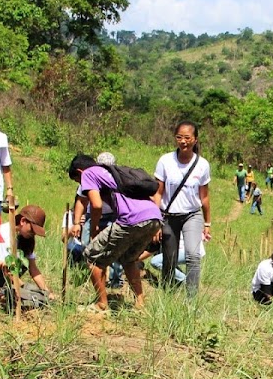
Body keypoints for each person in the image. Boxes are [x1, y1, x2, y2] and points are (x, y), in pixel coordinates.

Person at [69, 154, 162, 310]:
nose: (82, 185)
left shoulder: (89, 173)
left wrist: (94, 230)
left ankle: (101, 305)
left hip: (131, 219)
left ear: (79, 172)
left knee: (92, 256)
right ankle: (140, 304)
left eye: (78, 181)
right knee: (128, 259)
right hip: (154, 217)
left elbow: (96, 205)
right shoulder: (112, 171)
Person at [155, 120, 211, 297]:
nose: (183, 141)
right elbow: (158, 193)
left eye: (187, 137)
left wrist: (207, 222)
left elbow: (204, 197)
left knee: (193, 256)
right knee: (169, 259)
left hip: (192, 215)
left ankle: (191, 300)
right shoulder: (165, 161)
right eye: (179, 137)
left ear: (195, 139)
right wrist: (155, 220)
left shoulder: (202, 165)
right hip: (169, 216)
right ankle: (167, 295)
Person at [0, 204, 53, 308]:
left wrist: (47, 292)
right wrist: (23, 288)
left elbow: (33, 268)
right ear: (23, 221)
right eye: (32, 230)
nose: (33, 234)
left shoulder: (25, 239)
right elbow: (5, 268)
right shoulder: (3, 234)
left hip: (9, 276)